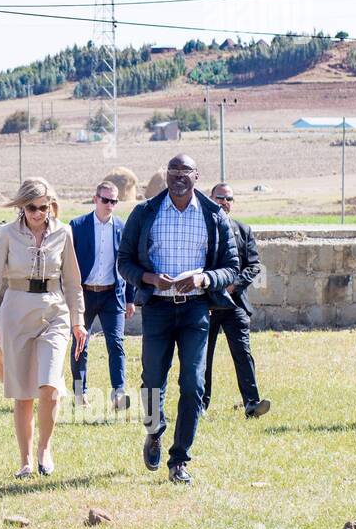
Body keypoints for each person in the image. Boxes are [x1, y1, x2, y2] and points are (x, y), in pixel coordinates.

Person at [117, 154, 239, 485]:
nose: (179, 176)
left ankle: (179, 460)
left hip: (195, 309)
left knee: (193, 385)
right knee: (152, 380)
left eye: (185, 171)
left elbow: (231, 266)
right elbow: (124, 261)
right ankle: (154, 430)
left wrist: (203, 279)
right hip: (157, 307)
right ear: (166, 176)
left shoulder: (213, 215)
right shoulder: (145, 212)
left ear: (197, 176)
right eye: (173, 171)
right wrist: (150, 278)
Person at [0, 178, 86, 478]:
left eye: (44, 207)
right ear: (21, 206)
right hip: (15, 311)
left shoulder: (63, 232)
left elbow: (73, 283)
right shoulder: (6, 233)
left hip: (54, 310)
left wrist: (78, 321)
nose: (39, 213)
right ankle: (25, 460)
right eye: (32, 208)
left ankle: (45, 449)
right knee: (23, 392)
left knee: (50, 386)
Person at [68, 180, 136, 412]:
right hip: (83, 294)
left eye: (114, 201)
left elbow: (128, 264)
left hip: (111, 295)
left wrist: (130, 298)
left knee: (116, 344)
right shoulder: (78, 226)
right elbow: (66, 264)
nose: (109, 204)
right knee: (80, 343)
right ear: (95, 199)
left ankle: (118, 393)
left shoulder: (122, 227)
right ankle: (80, 393)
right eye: (105, 200)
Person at [205, 183, 271, 418]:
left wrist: (233, 285)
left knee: (243, 352)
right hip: (206, 304)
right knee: (203, 356)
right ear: (210, 199)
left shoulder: (243, 230)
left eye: (228, 199)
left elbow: (253, 266)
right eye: (219, 197)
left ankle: (252, 404)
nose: (224, 202)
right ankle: (200, 406)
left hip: (235, 304)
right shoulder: (201, 229)